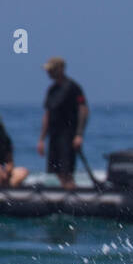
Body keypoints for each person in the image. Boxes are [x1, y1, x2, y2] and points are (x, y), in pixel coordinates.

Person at [37, 57, 88, 188]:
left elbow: (83, 109)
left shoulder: (73, 87)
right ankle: (65, 192)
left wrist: (79, 134)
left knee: (67, 171)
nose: (49, 73)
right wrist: (42, 139)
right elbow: (47, 114)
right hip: (54, 135)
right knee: (57, 171)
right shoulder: (52, 89)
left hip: (68, 135)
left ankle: (72, 194)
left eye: (51, 70)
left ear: (60, 70)